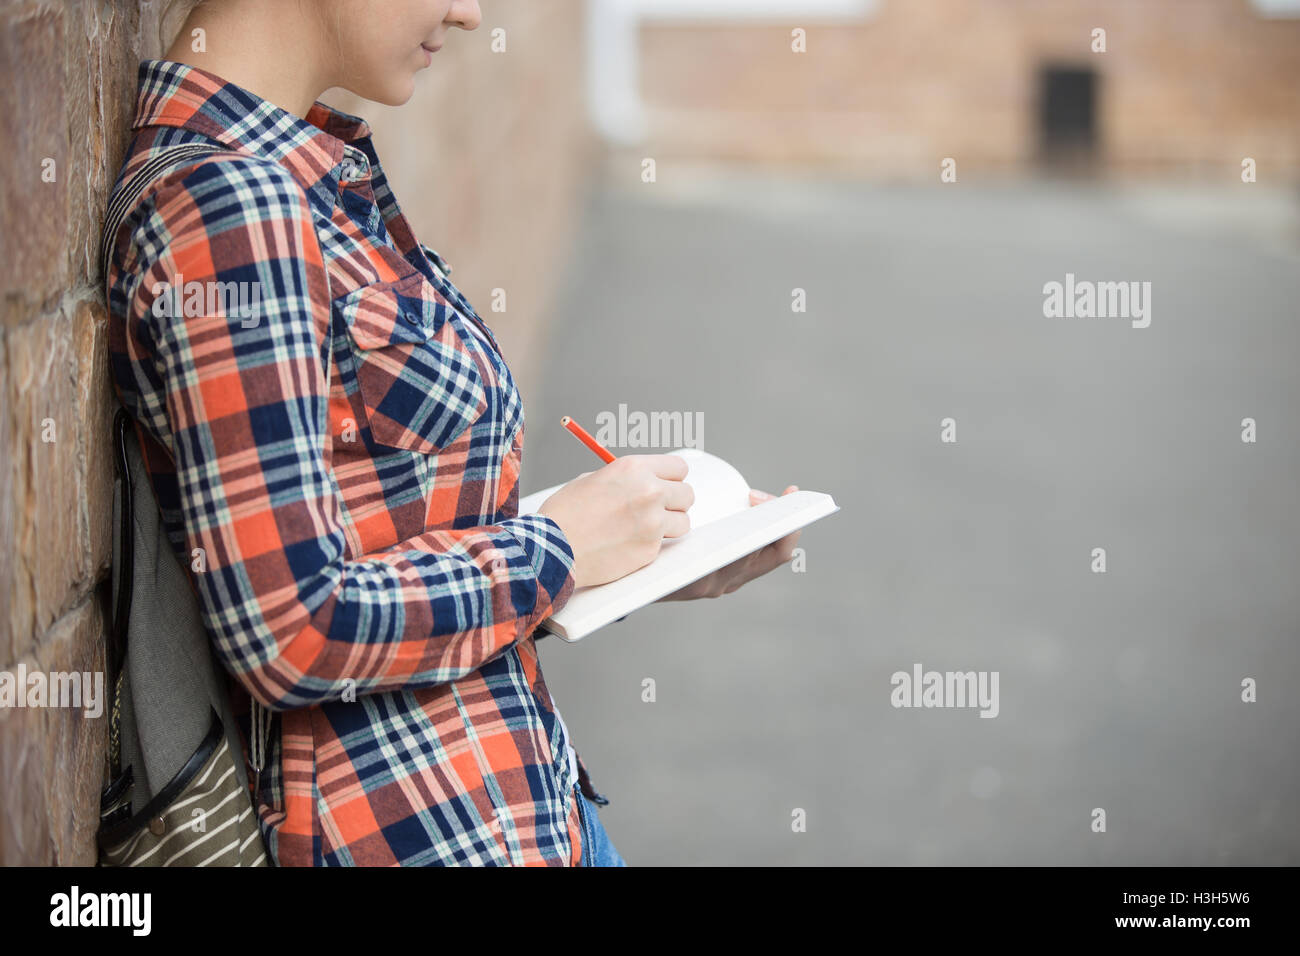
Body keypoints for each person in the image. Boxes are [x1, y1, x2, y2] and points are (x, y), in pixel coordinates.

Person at [103, 0, 801, 866]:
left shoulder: (291, 175)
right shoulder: (230, 210)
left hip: (516, 801)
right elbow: (292, 629)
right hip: (427, 833)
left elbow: (377, 541)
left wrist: (624, 555)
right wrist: (558, 552)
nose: (469, 14)